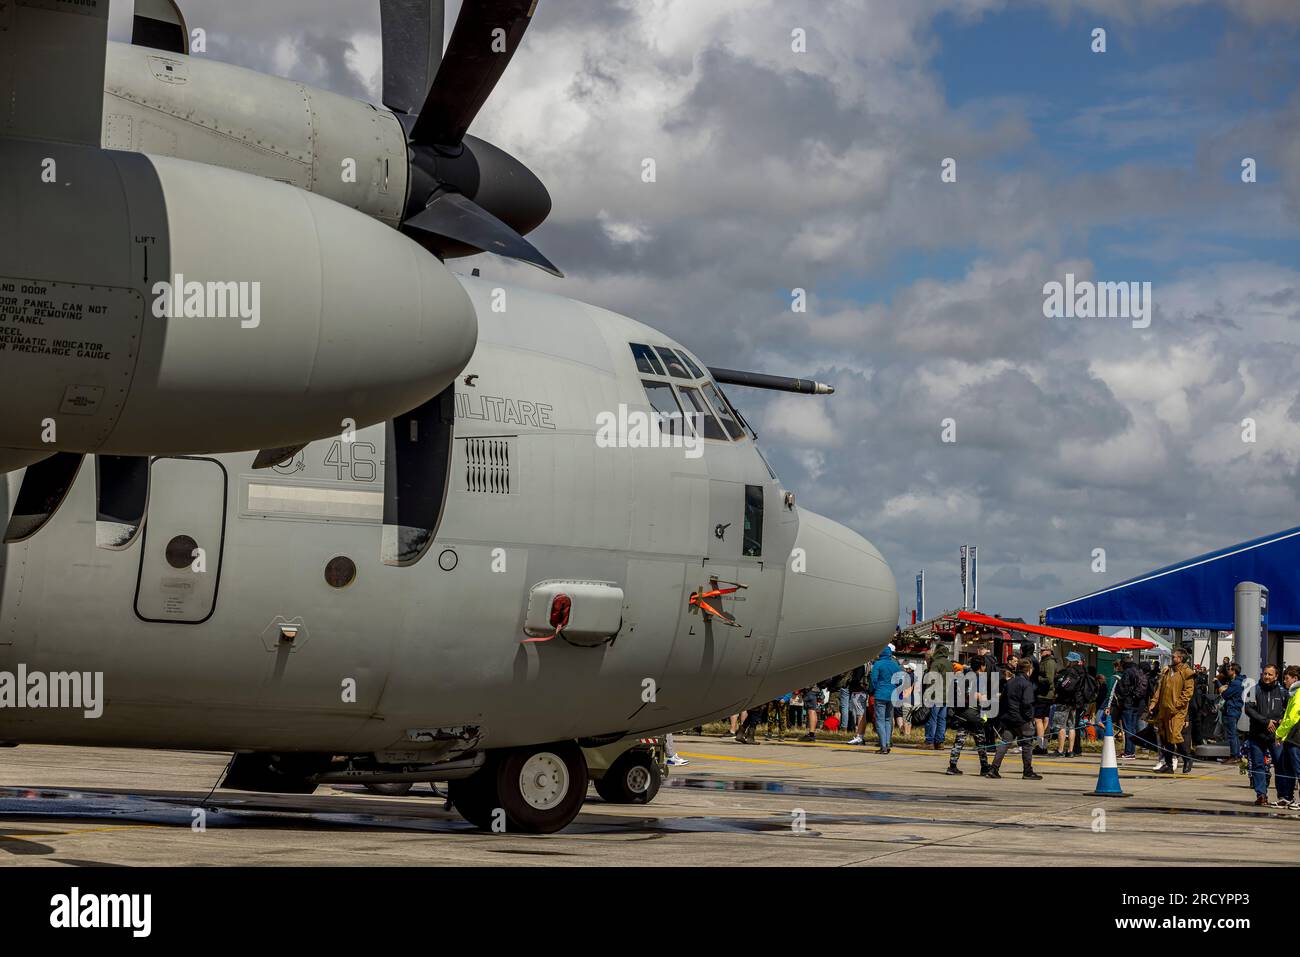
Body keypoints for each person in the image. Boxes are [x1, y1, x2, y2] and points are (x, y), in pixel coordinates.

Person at [989, 659, 1042, 780]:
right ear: (1029, 670)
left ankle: (994, 769)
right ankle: (1027, 771)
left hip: (1008, 718)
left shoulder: (1010, 682)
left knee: (1004, 743)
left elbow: (1002, 701)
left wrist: (1003, 716)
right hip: (1022, 719)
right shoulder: (1026, 684)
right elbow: (1027, 703)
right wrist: (1029, 718)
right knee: (1027, 744)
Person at [1148, 647, 1196, 774]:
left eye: (1174, 656)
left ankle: (1187, 758)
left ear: (1180, 658)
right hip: (1164, 709)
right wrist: (1154, 703)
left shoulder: (1187, 673)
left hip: (1177, 711)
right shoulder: (1168, 671)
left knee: (1174, 734)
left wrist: (1177, 704)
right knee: (1165, 736)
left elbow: (1188, 693)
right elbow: (1160, 689)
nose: (1172, 657)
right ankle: (1168, 764)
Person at [1244, 664, 1287, 806]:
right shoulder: (1253, 689)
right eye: (1265, 674)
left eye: (1270, 674)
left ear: (1275, 676)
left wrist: (1281, 721)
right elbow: (1248, 709)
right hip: (1257, 734)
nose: (1267, 677)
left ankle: (1282, 795)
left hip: (1276, 736)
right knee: (1258, 765)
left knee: (1280, 765)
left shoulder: (1282, 692)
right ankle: (1261, 794)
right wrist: (1265, 721)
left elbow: (1288, 709)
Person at [946, 656, 993, 776]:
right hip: (973, 712)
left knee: (960, 739)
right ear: (981, 666)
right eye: (984, 665)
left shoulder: (963, 675)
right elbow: (973, 694)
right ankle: (984, 767)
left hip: (962, 713)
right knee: (980, 740)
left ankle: (952, 765)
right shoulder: (977, 677)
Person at [1051, 651, 1092, 757]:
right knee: (1072, 726)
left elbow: (1065, 685)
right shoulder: (1083, 672)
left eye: (1068, 660)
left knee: (1061, 726)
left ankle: (1060, 750)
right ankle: (1070, 751)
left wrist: (1058, 686)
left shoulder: (1071, 671)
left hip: (1065, 701)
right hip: (1076, 702)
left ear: (1072, 661)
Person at [1274, 665, 1300, 811]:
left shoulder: (1298, 694)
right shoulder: (1293, 694)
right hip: (1291, 737)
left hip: (1296, 737)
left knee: (1298, 769)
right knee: (1289, 768)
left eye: (1287, 678)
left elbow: (1292, 717)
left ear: (1295, 679)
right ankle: (1288, 797)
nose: (1285, 681)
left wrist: (1279, 733)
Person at [1113, 656, 1148, 760]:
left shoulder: (1127, 672)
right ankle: (1131, 751)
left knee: (1128, 728)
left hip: (1128, 704)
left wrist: (1121, 699)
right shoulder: (1138, 671)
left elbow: (1123, 689)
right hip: (1137, 704)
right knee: (1132, 728)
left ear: (1123, 664)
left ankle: (1129, 752)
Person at [869, 644, 903, 754]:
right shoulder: (895, 665)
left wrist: (873, 690)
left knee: (880, 720)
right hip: (892, 695)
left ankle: (883, 745)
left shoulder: (878, 664)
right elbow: (900, 681)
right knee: (888, 719)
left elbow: (873, 679)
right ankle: (888, 743)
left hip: (880, 694)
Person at [925, 642, 953, 750]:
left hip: (936, 695)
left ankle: (929, 741)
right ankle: (940, 742)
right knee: (942, 719)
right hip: (946, 696)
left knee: (933, 718)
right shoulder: (949, 663)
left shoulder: (936, 663)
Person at [1033, 643, 1058, 755]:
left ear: (1048, 651)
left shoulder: (1049, 662)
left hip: (1044, 695)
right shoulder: (1047, 661)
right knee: (1045, 720)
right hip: (1046, 694)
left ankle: (1041, 745)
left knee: (1038, 719)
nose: (1041, 652)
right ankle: (1043, 745)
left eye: (1042, 650)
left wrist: (1036, 677)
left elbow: (1048, 679)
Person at [1219, 664, 1244, 762]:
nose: (1227, 671)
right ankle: (1236, 755)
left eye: (1229, 670)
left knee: (1232, 734)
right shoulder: (1238, 682)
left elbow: (1225, 694)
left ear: (1233, 671)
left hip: (1231, 710)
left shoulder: (1235, 683)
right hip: (1235, 709)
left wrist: (1220, 686)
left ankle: (1234, 755)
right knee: (1234, 733)